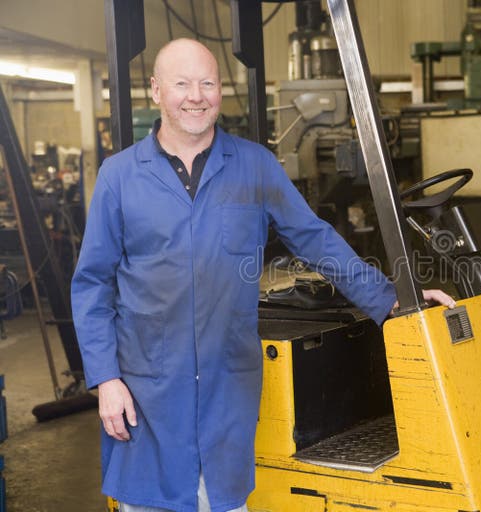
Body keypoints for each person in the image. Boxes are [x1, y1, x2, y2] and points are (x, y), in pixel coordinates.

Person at [71, 38, 454, 512]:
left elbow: (313, 237)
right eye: (182, 84)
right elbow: (92, 285)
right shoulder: (119, 176)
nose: (197, 96)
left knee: (225, 502)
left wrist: (391, 298)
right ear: (155, 91)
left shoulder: (253, 166)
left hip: (226, 385)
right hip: (147, 391)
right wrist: (106, 378)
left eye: (208, 83)